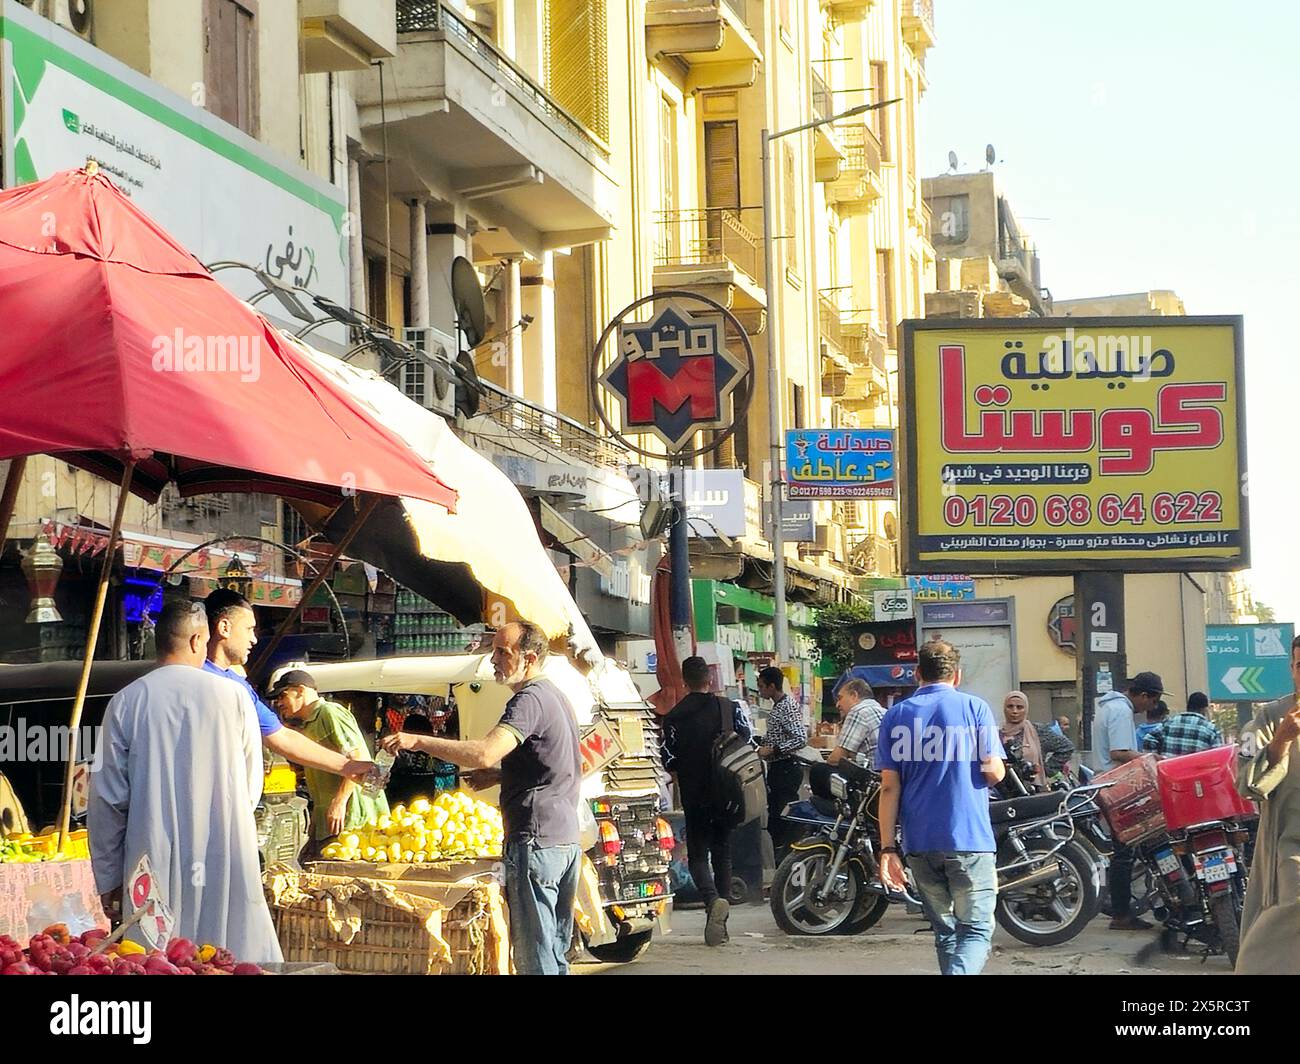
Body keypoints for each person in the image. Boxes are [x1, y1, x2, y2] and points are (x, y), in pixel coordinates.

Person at [381, 621, 581, 975]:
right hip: (563, 840)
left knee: (537, 958)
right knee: (553, 952)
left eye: (504, 652)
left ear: (530, 658)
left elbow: (485, 752)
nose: (494, 660)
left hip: (537, 840)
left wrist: (418, 740)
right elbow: (555, 767)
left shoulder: (529, 700)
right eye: (494, 650)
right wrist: (504, 775)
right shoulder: (555, 697)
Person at [87, 599, 282, 962]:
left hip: (151, 854)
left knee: (156, 960)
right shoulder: (234, 696)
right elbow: (251, 785)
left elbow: (107, 798)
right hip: (226, 853)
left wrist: (110, 876)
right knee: (230, 958)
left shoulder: (127, 701)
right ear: (196, 641)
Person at [876, 639, 1005, 976]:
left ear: (917, 673)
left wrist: (887, 848)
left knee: (945, 932)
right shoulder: (975, 709)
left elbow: (889, 787)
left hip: (919, 841)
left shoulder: (895, 716)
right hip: (969, 838)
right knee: (975, 930)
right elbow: (993, 771)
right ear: (957, 675)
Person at [203, 589, 371, 782]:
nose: (254, 639)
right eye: (249, 629)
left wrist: (347, 766)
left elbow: (281, 737)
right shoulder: (198, 678)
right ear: (224, 627)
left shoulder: (239, 686)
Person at [660, 655, 754, 946]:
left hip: (694, 793)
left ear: (685, 681)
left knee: (698, 854)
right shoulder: (730, 708)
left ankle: (712, 901)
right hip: (727, 793)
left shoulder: (674, 716)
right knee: (722, 851)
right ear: (709, 679)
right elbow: (747, 740)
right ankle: (721, 920)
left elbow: (668, 758)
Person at [269, 669, 387, 855]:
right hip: (331, 821)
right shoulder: (308, 724)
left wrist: (339, 803)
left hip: (353, 818)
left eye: (283, 696)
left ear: (300, 691)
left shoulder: (330, 713)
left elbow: (359, 761)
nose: (279, 703)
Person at [1236, 634, 1300, 972]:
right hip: (1289, 846)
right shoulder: (1271, 718)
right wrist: (1282, 741)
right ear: (1292, 669)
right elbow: (1247, 784)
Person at [1092, 670, 1164, 931]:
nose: (1151, 708)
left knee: (1123, 850)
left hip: (1106, 783)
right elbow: (1119, 751)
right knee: (1124, 851)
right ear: (1143, 696)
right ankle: (1122, 914)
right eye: (1152, 702)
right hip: (1117, 786)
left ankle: (1122, 909)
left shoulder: (1108, 706)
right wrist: (1150, 759)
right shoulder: (1121, 711)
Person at [756, 666, 807, 861]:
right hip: (777, 768)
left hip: (786, 767)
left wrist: (774, 749)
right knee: (775, 816)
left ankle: (787, 859)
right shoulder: (777, 706)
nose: (760, 690)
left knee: (782, 817)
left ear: (771, 686)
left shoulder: (787, 706)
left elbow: (800, 738)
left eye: (762, 686)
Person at [1142, 691, 1223, 757]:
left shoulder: (1168, 723)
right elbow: (1219, 756)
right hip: (1197, 775)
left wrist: (1155, 760)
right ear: (1204, 709)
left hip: (1169, 773)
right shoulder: (1211, 729)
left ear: (1188, 706)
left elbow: (1149, 739)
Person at [827, 678, 885, 768]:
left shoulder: (858, 711)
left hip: (873, 774)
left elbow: (836, 759)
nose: (837, 704)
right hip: (889, 773)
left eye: (840, 698)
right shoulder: (883, 711)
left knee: (820, 770)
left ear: (854, 695)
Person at [999, 690, 1045, 788]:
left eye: (1019, 707)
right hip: (1004, 788)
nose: (1014, 711)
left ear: (1026, 709)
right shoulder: (998, 733)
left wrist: (1046, 768)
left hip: (1031, 787)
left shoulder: (1037, 730)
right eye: (1010, 707)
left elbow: (1065, 747)